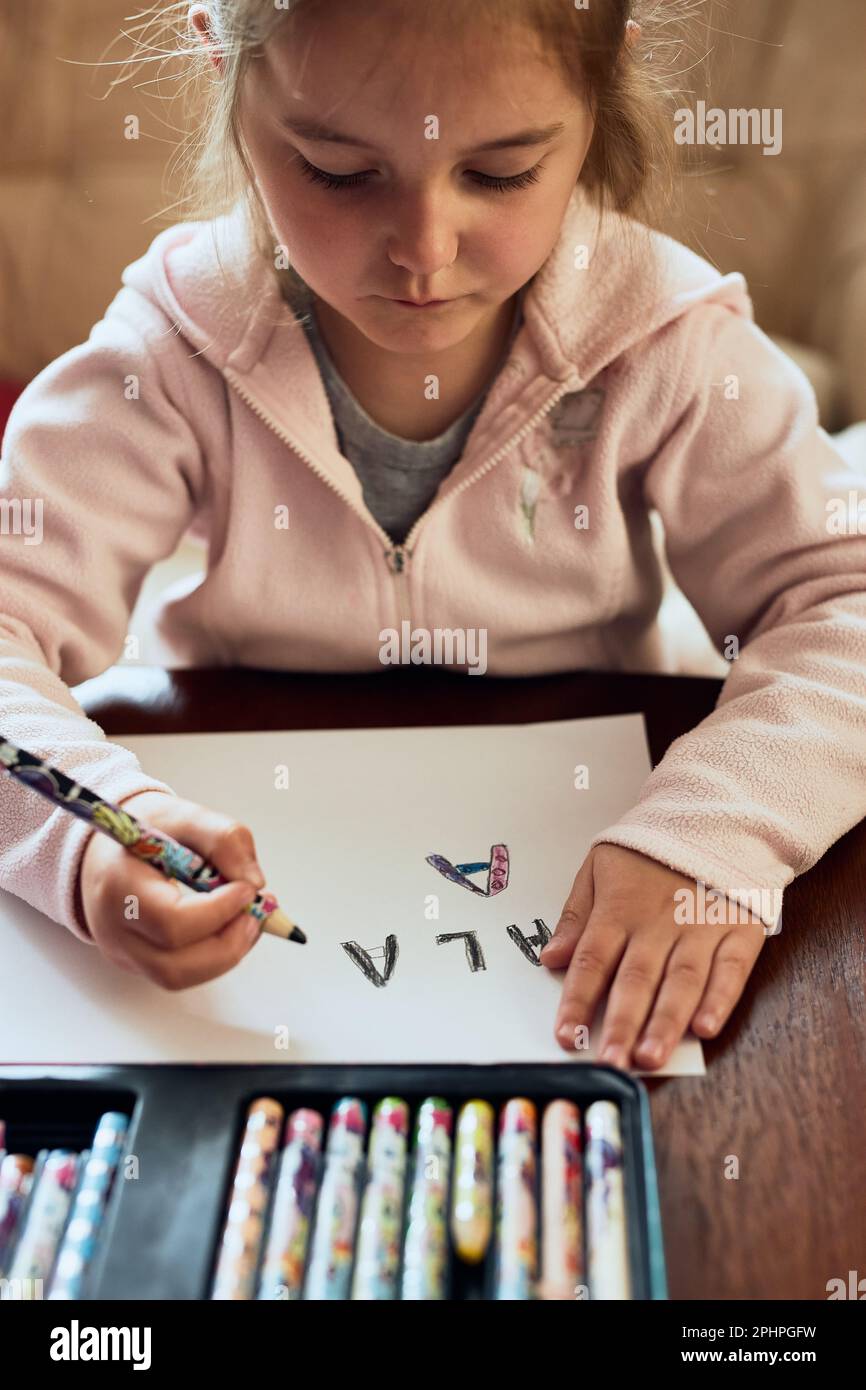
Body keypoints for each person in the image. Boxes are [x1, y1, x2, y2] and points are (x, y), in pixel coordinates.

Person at [1, 0, 864, 1071]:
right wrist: (88, 837)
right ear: (223, 63)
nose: (423, 251)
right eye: (336, 171)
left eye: (499, 174)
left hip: (584, 862)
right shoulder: (169, 354)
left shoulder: (667, 345)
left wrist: (716, 830)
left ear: (597, 97)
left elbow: (844, 606)